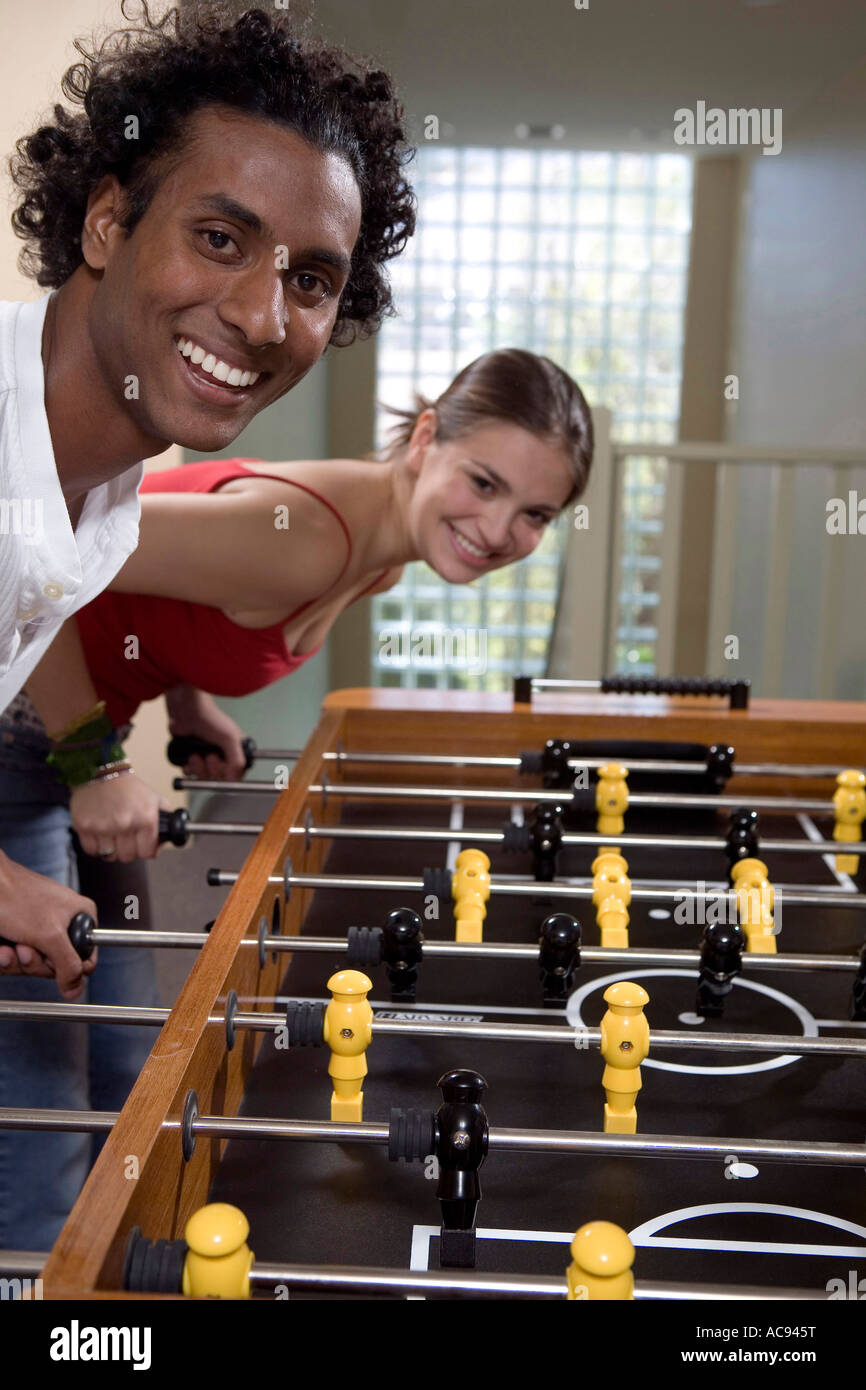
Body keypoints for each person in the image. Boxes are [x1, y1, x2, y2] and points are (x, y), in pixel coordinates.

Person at [0, 0, 414, 1250]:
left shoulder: (108, 488)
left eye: (310, 278)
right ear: (106, 219)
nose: (258, 313)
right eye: (220, 237)